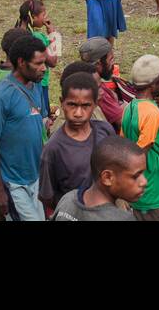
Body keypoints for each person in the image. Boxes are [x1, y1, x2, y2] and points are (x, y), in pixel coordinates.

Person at [0, 34, 50, 220]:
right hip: (12, 181)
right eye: (38, 63)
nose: (43, 69)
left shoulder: (35, 86)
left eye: (44, 63)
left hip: (34, 175)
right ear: (21, 62)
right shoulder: (0, 96)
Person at [38, 71, 114, 215]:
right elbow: (47, 196)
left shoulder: (105, 131)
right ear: (62, 103)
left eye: (85, 106)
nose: (78, 113)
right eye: (72, 105)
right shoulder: (53, 149)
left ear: (95, 105)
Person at [121, 55, 159, 221]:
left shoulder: (129, 108)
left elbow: (124, 146)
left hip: (139, 193)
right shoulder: (152, 113)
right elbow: (140, 152)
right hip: (155, 193)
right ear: (154, 84)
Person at [52, 136, 146, 221]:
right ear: (107, 177)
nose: (144, 182)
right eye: (135, 176)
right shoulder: (122, 218)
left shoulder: (68, 199)